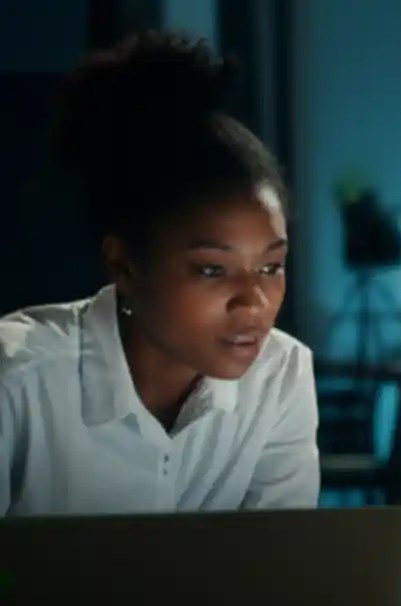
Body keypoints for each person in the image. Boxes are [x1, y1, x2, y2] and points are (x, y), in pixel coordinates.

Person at [0, 31, 320, 516]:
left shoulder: (281, 376)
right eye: (213, 269)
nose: (255, 302)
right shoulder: (19, 379)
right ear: (123, 264)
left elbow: (282, 573)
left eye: (271, 266)